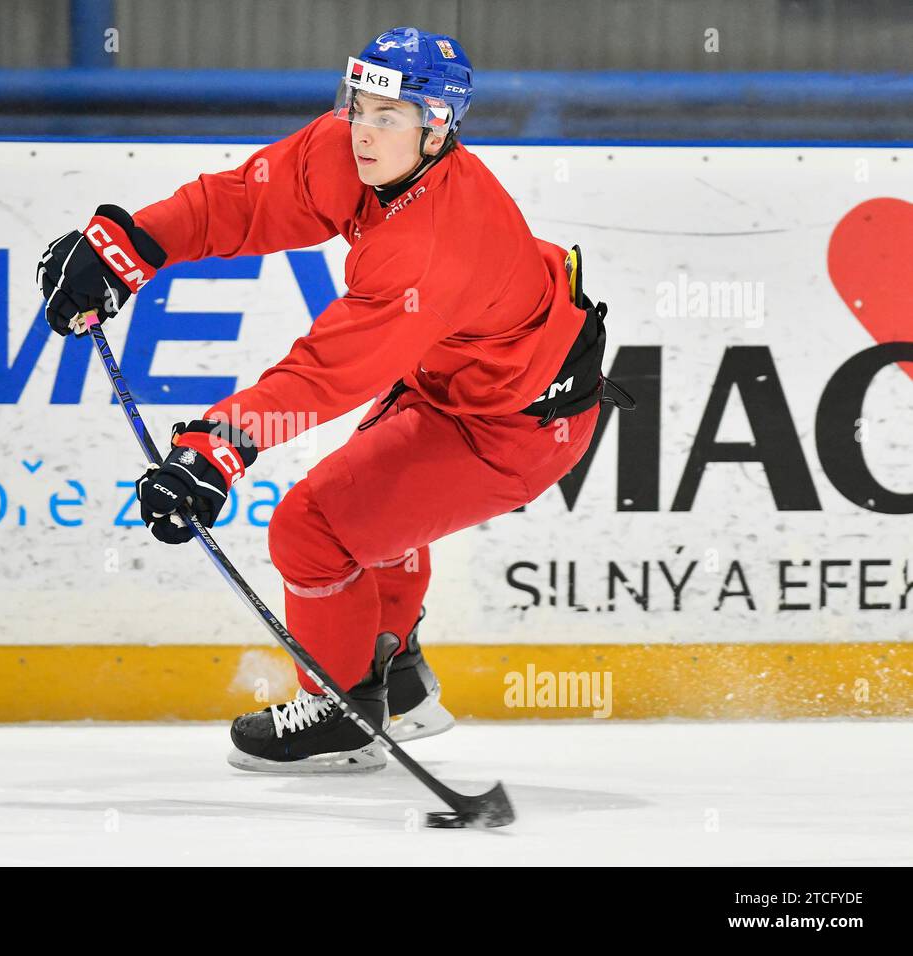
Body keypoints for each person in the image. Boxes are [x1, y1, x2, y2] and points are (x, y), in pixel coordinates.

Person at [38, 27, 632, 774]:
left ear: (438, 125)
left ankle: (340, 716)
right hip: (455, 383)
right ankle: (402, 685)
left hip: (512, 428)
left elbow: (327, 376)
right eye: (360, 105)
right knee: (365, 522)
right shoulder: (352, 150)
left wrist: (220, 446)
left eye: (390, 115)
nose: (365, 130)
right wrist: (130, 245)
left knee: (312, 531)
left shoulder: (436, 246)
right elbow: (242, 205)